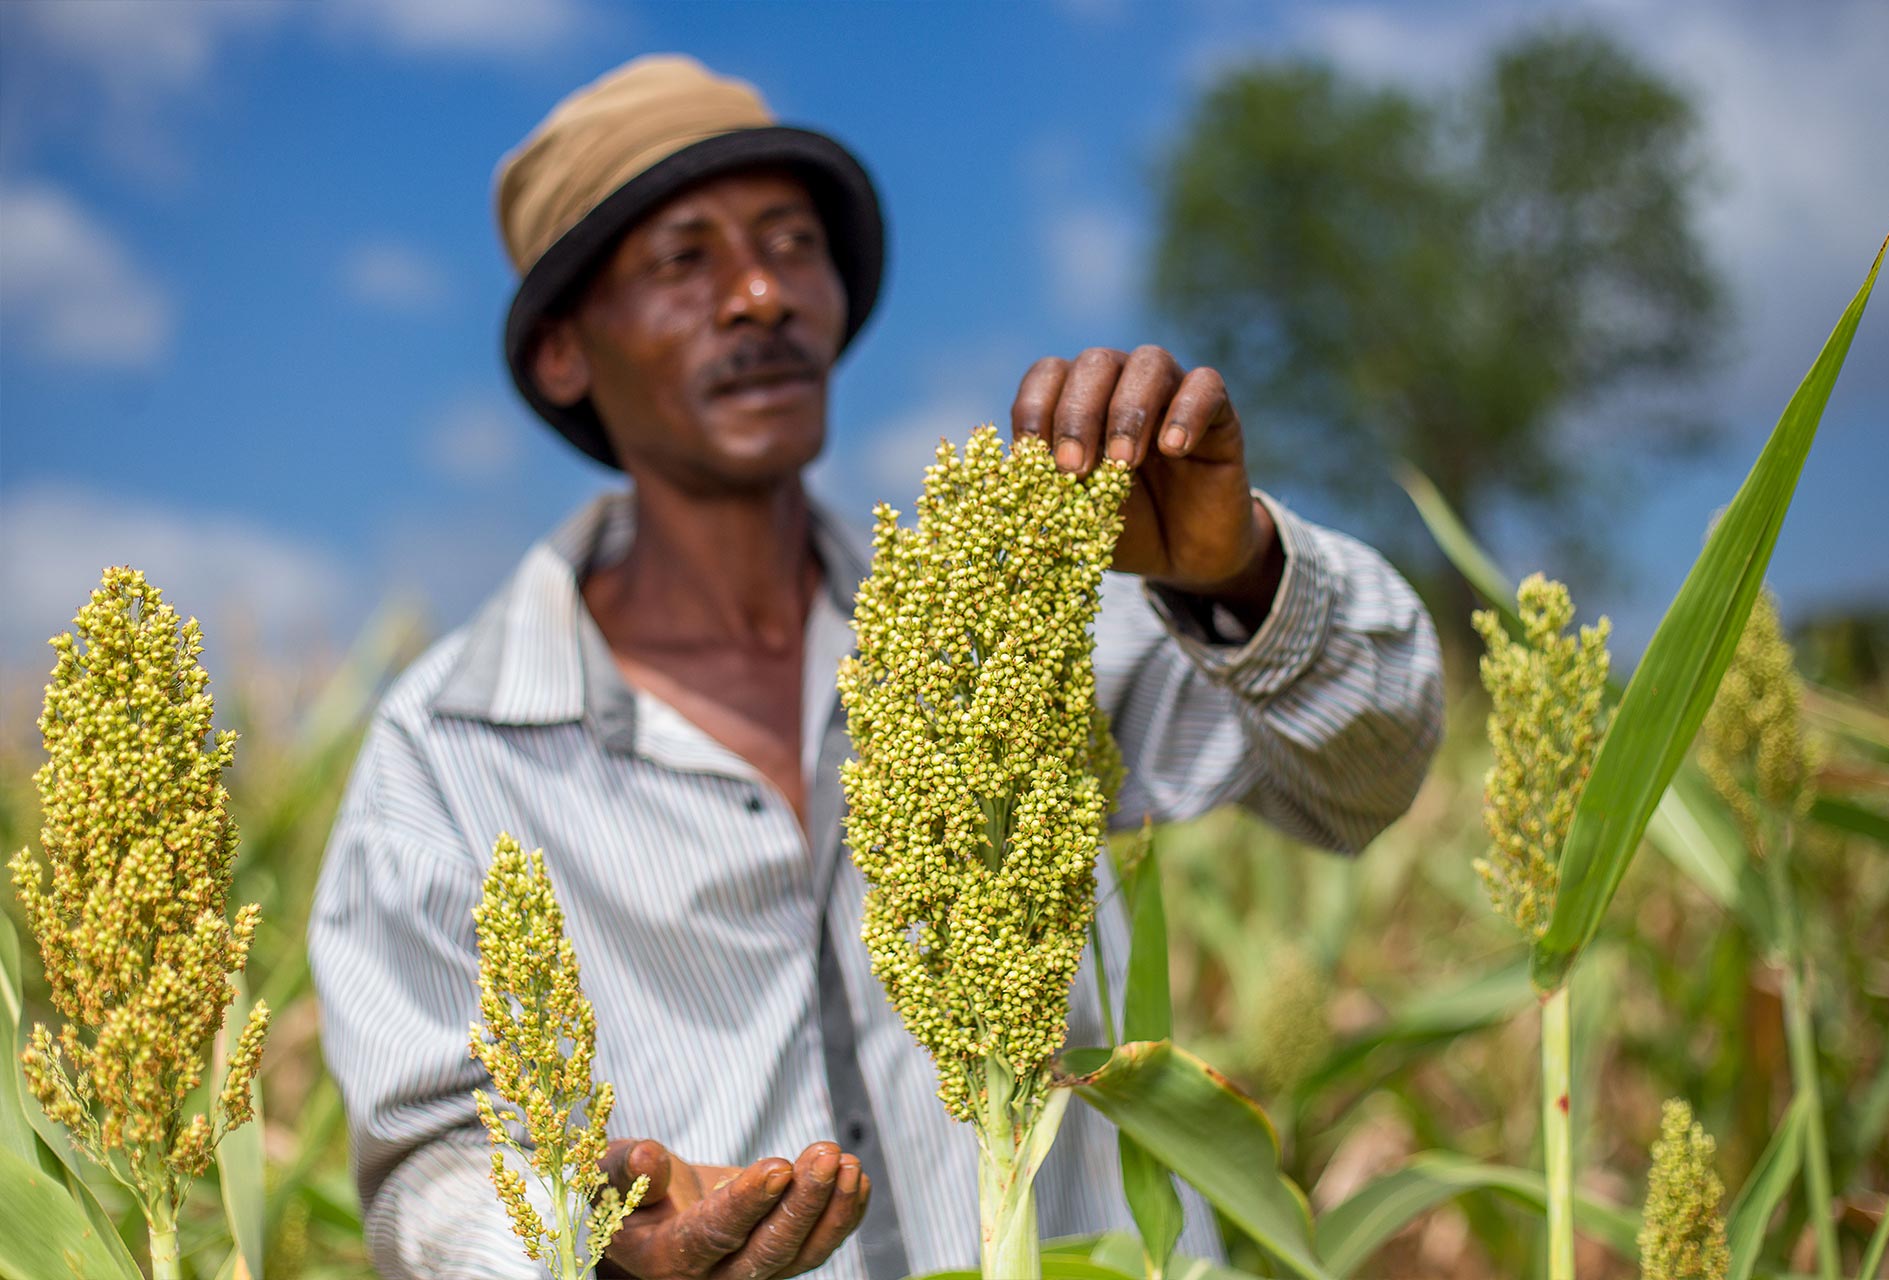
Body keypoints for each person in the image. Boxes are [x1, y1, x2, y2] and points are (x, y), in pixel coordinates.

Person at [310, 54, 1444, 1280]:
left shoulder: (1005, 620)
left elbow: (1367, 772)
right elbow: (426, 1165)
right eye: (683, 259)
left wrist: (1235, 573)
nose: (760, 294)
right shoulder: (450, 749)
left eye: (792, 245)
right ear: (565, 356)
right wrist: (584, 1243)